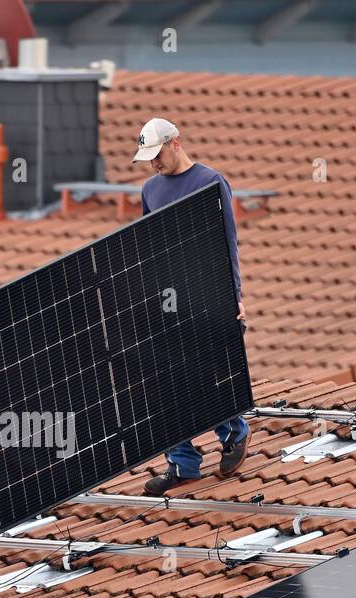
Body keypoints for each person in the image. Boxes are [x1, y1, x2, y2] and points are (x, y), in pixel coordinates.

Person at [134, 117, 250, 496]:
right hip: (166, 301)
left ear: (176, 143)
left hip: (206, 295)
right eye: (147, 158)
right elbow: (146, 249)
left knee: (206, 374)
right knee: (162, 382)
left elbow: (226, 241)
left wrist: (233, 296)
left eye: (157, 155)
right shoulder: (150, 190)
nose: (154, 164)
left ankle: (233, 434)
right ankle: (182, 464)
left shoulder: (209, 182)